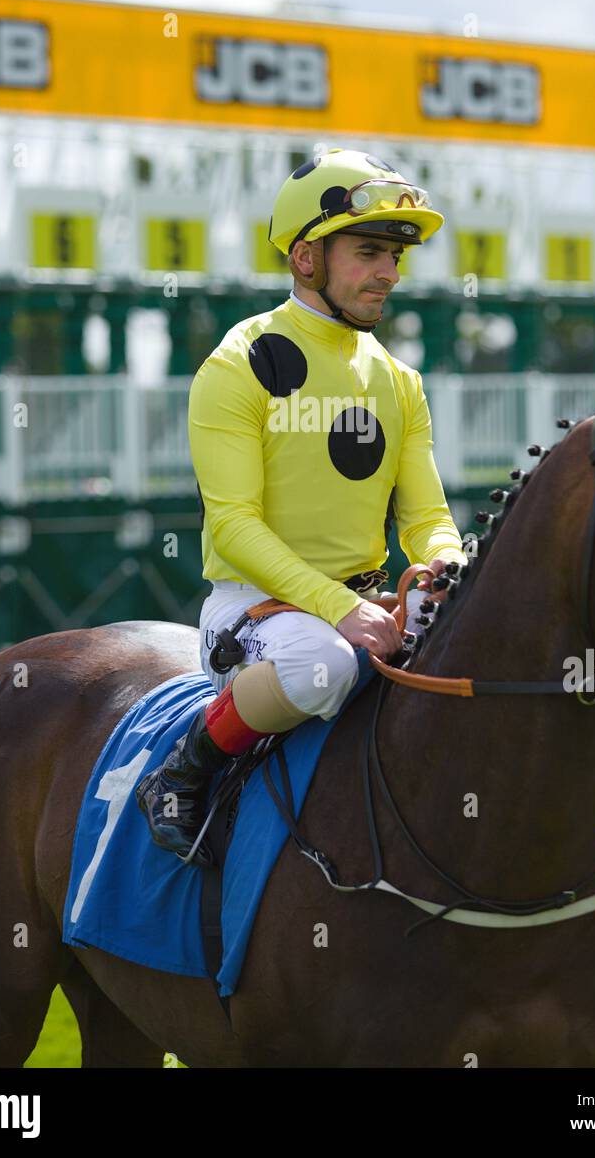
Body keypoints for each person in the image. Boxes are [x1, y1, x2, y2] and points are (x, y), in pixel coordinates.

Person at [136, 148, 466, 865]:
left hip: (366, 606)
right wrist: (339, 608)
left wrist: (444, 564)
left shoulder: (400, 382)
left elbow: (426, 518)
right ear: (306, 257)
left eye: (395, 256)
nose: (390, 273)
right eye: (369, 252)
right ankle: (182, 771)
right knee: (325, 664)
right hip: (255, 612)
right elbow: (233, 526)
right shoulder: (238, 363)